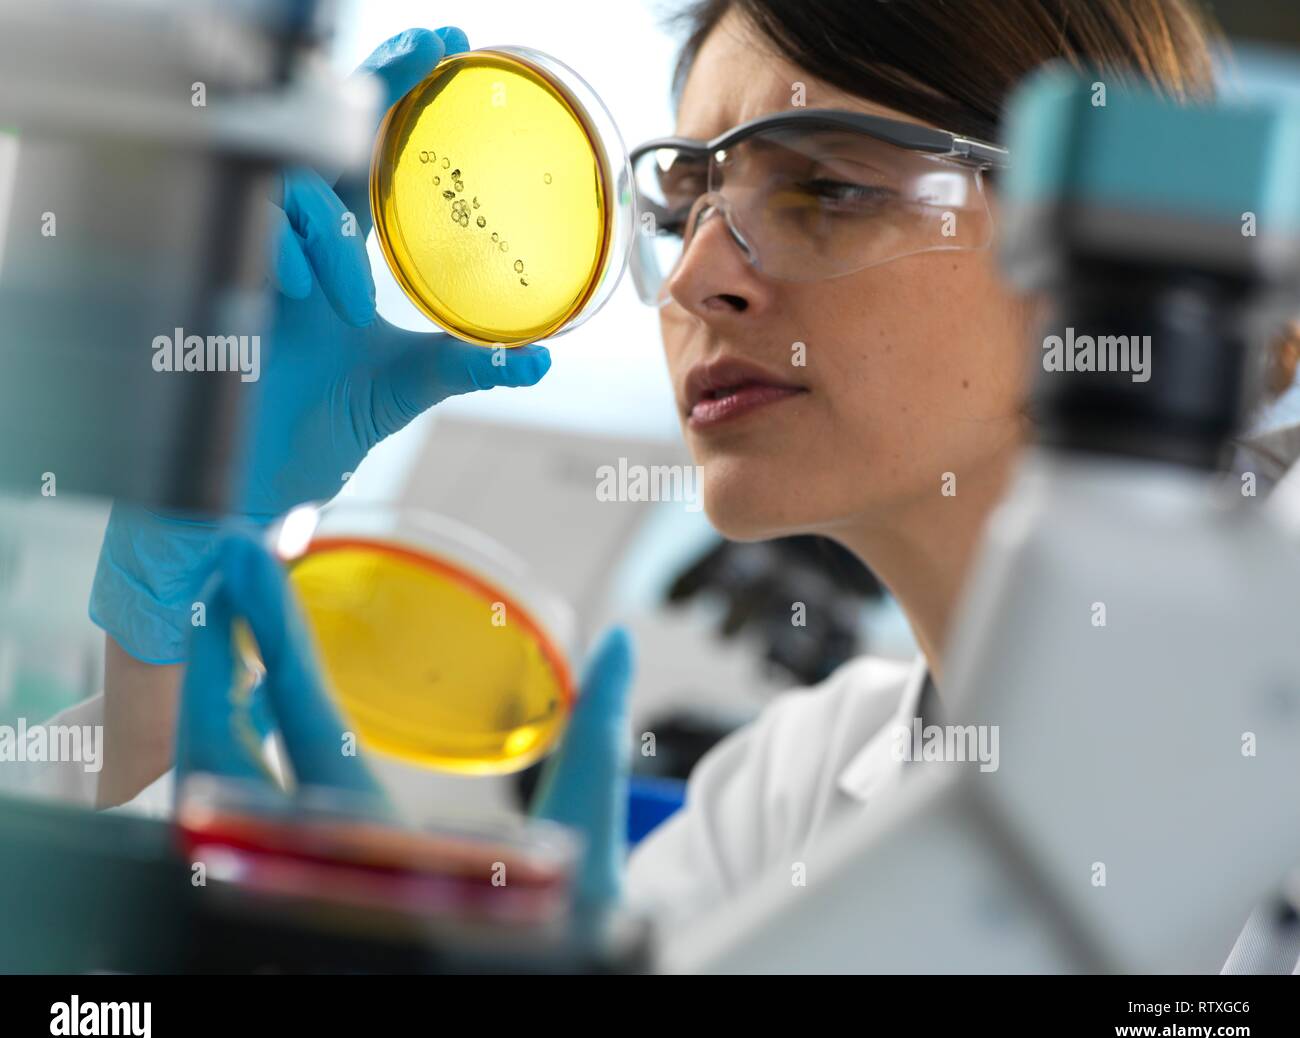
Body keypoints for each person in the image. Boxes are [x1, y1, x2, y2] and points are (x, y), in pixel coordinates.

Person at [18, 2, 1300, 964]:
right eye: (687, 202)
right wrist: (167, 636)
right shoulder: (785, 797)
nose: (696, 281)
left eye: (822, 189)